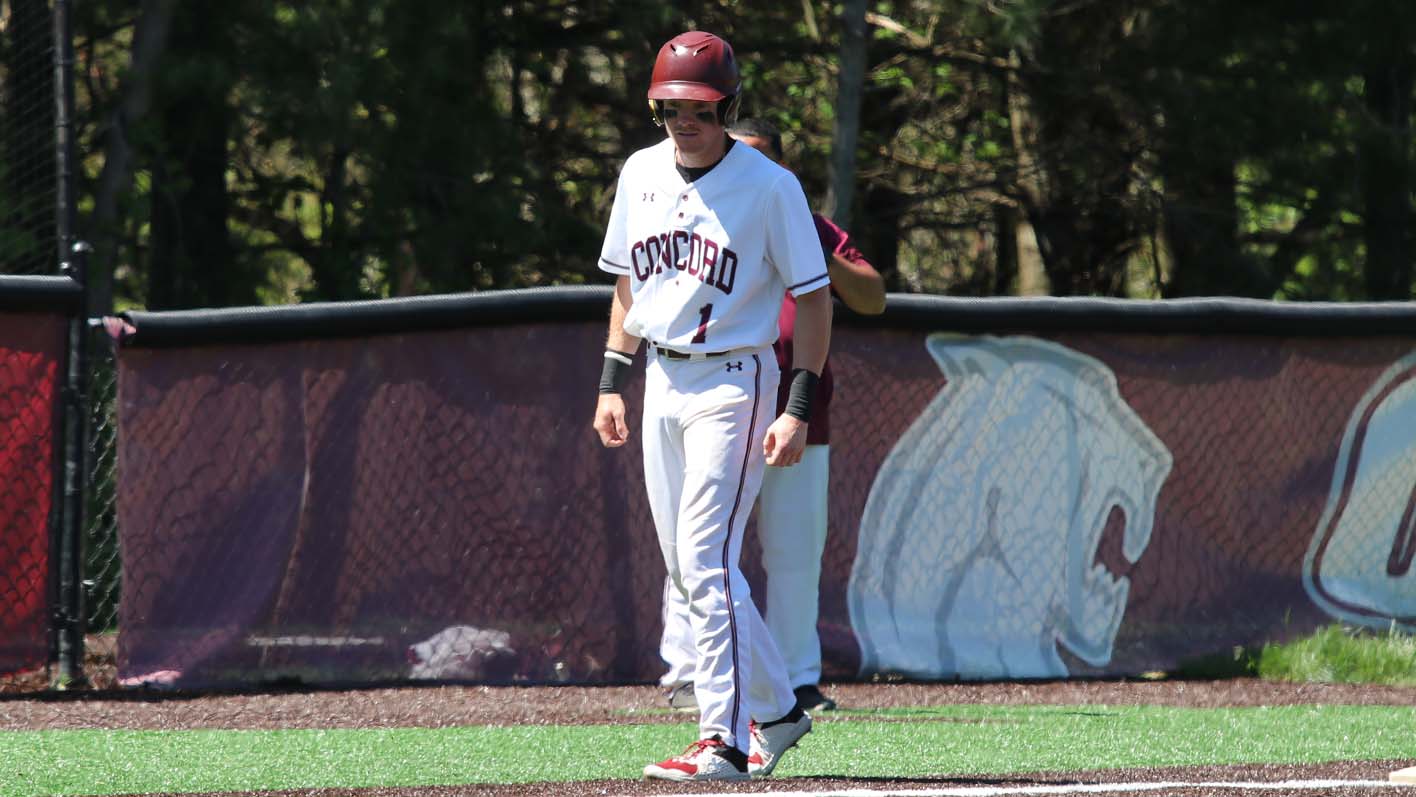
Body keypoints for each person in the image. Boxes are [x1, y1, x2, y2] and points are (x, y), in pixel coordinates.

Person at [592, 31, 829, 783]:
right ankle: (782, 710)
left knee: (705, 558)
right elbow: (629, 285)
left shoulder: (769, 185)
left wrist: (797, 406)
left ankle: (721, 740)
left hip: (737, 377)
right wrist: (612, 378)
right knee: (689, 566)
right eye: (668, 104)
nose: (681, 117)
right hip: (662, 374)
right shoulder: (639, 171)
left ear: (727, 104)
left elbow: (814, 299)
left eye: (696, 104)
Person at [658, 119, 886, 716]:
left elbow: (873, 297)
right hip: (718, 404)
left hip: (797, 414)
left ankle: (796, 679)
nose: (738, 167)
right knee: (695, 545)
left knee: (793, 553)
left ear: (780, 172)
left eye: (755, 158)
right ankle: (688, 672)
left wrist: (811, 249)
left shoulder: (811, 227)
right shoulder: (695, 217)